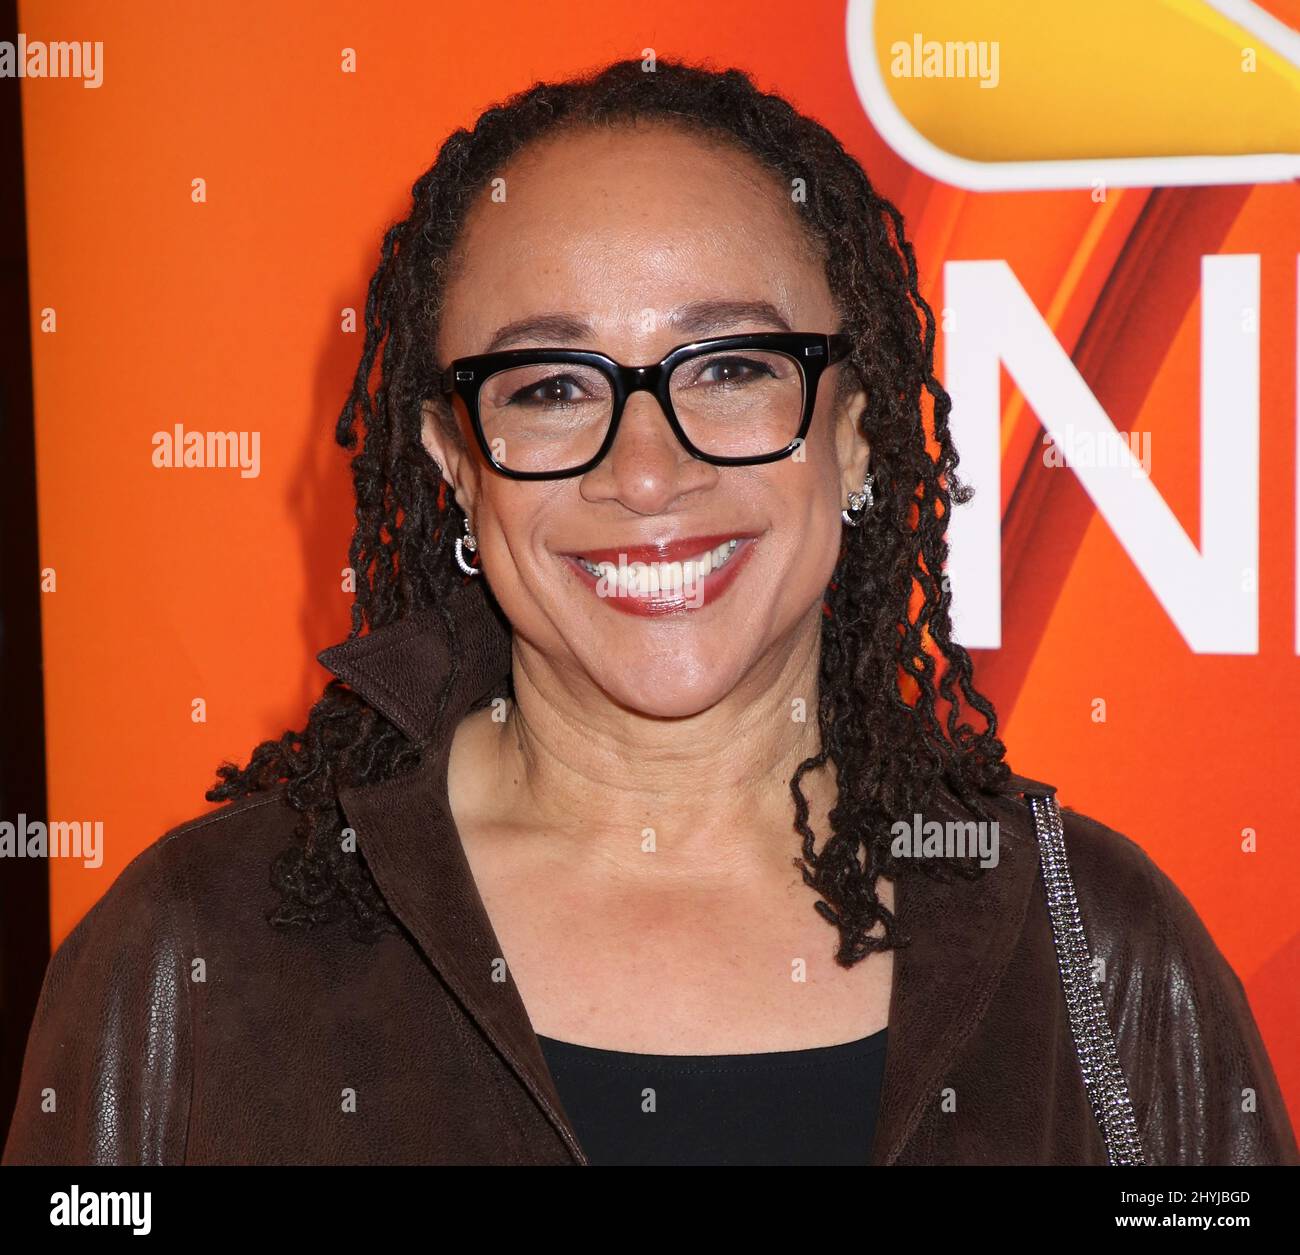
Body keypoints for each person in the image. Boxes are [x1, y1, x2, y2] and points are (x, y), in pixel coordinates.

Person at [4, 57, 1296, 1167]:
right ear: (455, 466)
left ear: (854, 437)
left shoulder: (1094, 939)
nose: (644, 469)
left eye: (729, 367)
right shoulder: (198, 945)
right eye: (551, 386)